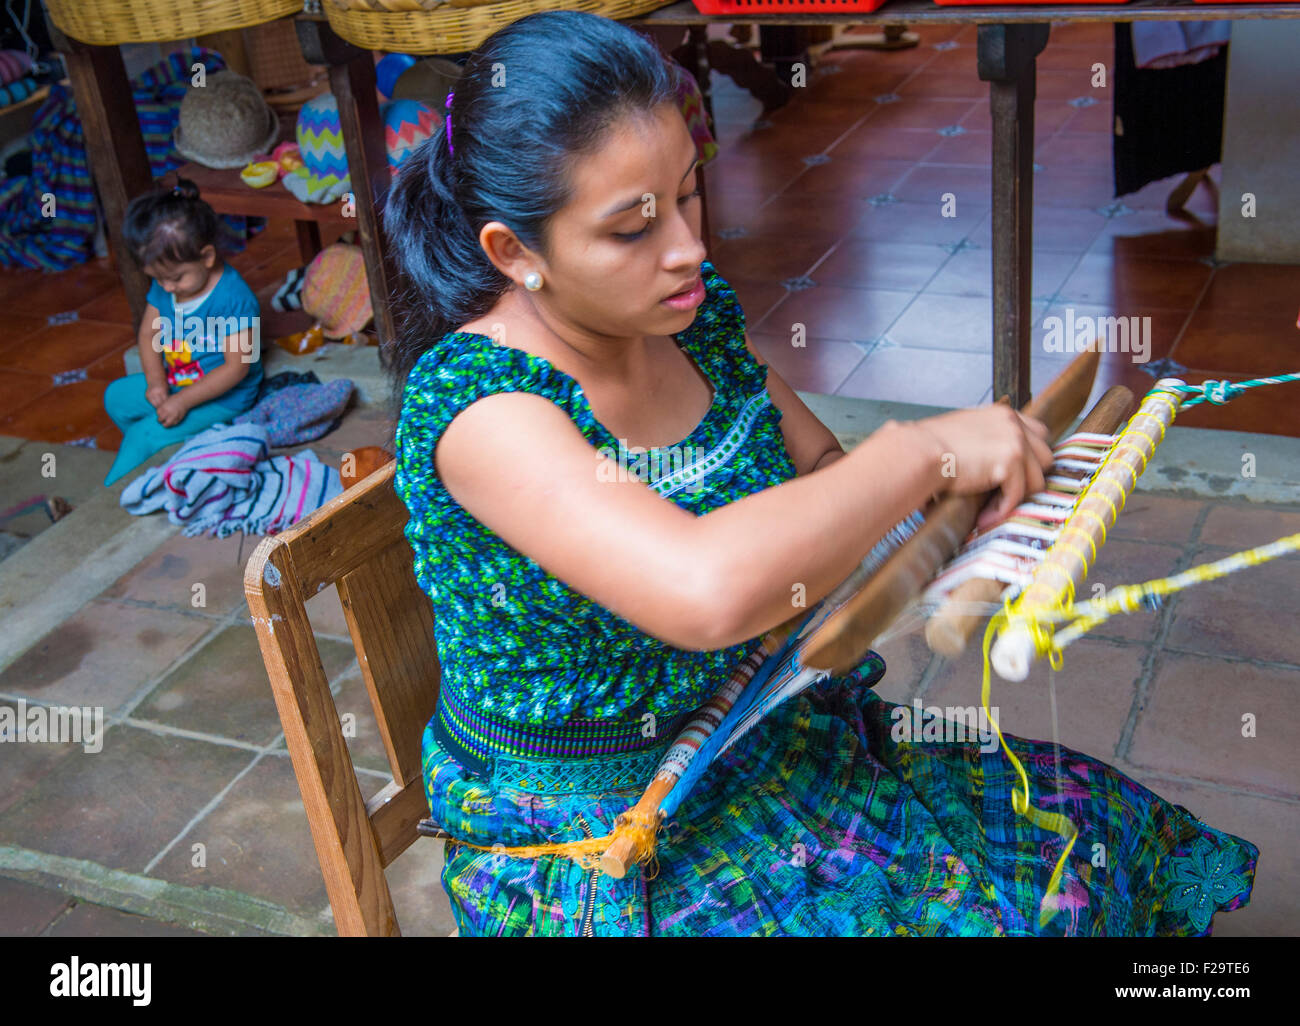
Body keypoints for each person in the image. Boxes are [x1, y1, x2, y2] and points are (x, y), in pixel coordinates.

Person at [384, 11, 1257, 937]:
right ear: (515, 253)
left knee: (1091, 833)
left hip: (756, 735)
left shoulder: (687, 320)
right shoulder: (485, 413)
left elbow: (819, 472)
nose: (687, 248)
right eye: (633, 228)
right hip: (606, 842)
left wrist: (948, 528)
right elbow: (704, 592)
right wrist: (920, 453)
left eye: (687, 195)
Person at [102, 177, 262, 486]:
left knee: (141, 436)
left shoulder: (234, 298)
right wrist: (155, 383)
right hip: (179, 381)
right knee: (116, 398)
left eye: (175, 278)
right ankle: (167, 458)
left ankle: (115, 497)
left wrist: (182, 402)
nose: (166, 287)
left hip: (225, 397)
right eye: (158, 279)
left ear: (207, 257)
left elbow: (236, 368)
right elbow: (149, 335)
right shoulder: (167, 285)